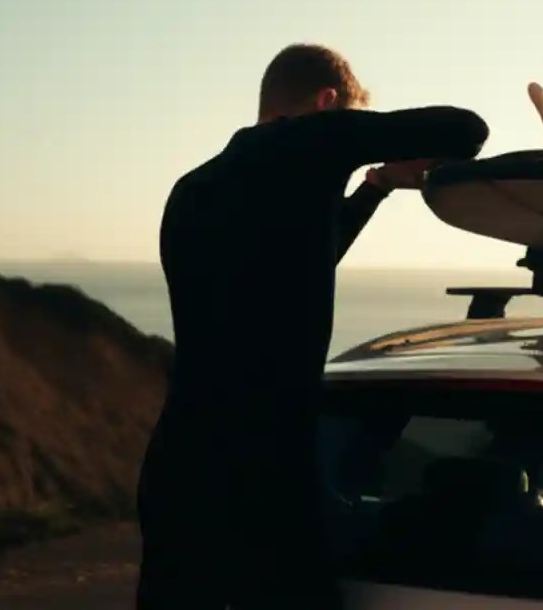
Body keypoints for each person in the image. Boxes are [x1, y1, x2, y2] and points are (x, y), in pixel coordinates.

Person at [135, 43, 490, 609]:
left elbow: (301, 258)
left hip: (179, 466)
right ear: (328, 102)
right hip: (263, 472)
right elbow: (467, 128)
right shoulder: (312, 141)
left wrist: (374, 186)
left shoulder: (193, 188)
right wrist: (357, 134)